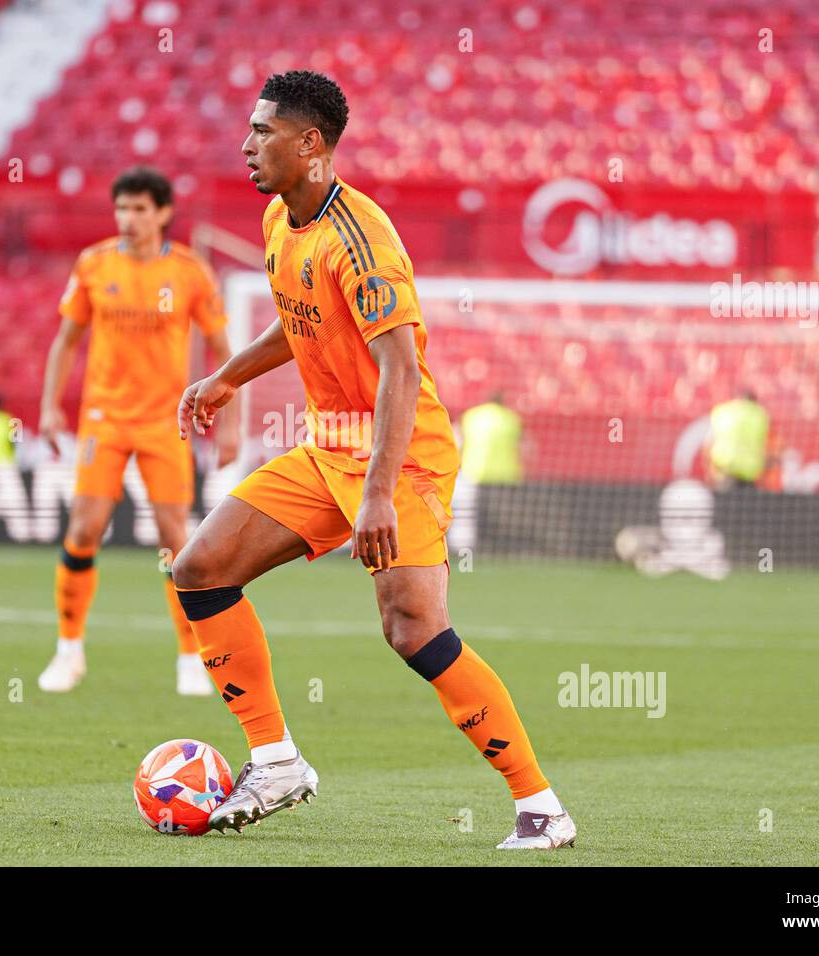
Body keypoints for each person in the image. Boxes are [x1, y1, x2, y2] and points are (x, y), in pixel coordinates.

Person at [172, 71, 574, 850]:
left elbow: (398, 371)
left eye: (263, 132)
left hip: (404, 457)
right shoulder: (278, 223)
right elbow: (302, 322)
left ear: (310, 144)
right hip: (330, 448)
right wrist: (227, 377)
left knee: (413, 629)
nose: (247, 146)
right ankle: (276, 760)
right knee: (201, 567)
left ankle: (541, 807)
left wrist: (380, 495)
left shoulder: (363, 239)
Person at [37, 166, 239, 696]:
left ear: (164, 213)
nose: (128, 219)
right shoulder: (94, 264)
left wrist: (230, 429)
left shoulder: (191, 273)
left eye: (139, 209)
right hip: (103, 418)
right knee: (84, 528)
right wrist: (50, 406)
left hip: (163, 421)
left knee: (176, 537)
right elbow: (66, 340)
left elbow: (224, 354)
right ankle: (69, 649)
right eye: (121, 208)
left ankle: (192, 657)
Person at [705, 390, 771, 489]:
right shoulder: (759, 415)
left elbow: (708, 444)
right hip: (749, 474)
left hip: (725, 470)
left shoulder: (723, 412)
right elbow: (763, 447)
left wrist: (710, 470)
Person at [459, 394, 524, 484]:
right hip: (504, 476)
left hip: (474, 472)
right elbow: (522, 448)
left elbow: (458, 442)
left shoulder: (471, 416)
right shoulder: (512, 419)